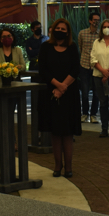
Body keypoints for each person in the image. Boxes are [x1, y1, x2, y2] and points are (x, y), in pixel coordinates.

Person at [38, 18, 82, 178]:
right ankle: (58, 166)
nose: (60, 31)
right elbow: (43, 69)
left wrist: (63, 87)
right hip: (51, 93)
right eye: (58, 28)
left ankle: (68, 167)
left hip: (69, 94)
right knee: (55, 133)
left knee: (68, 133)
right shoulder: (45, 47)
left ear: (68, 32)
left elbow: (75, 69)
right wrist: (57, 86)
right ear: (53, 30)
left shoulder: (72, 47)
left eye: (64, 29)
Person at [77, 11, 101, 123]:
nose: (96, 22)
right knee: (85, 91)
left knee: (97, 92)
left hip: (97, 66)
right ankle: (85, 113)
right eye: (94, 20)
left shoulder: (101, 35)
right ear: (90, 21)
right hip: (84, 65)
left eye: (98, 20)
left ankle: (93, 114)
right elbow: (80, 47)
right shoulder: (82, 33)